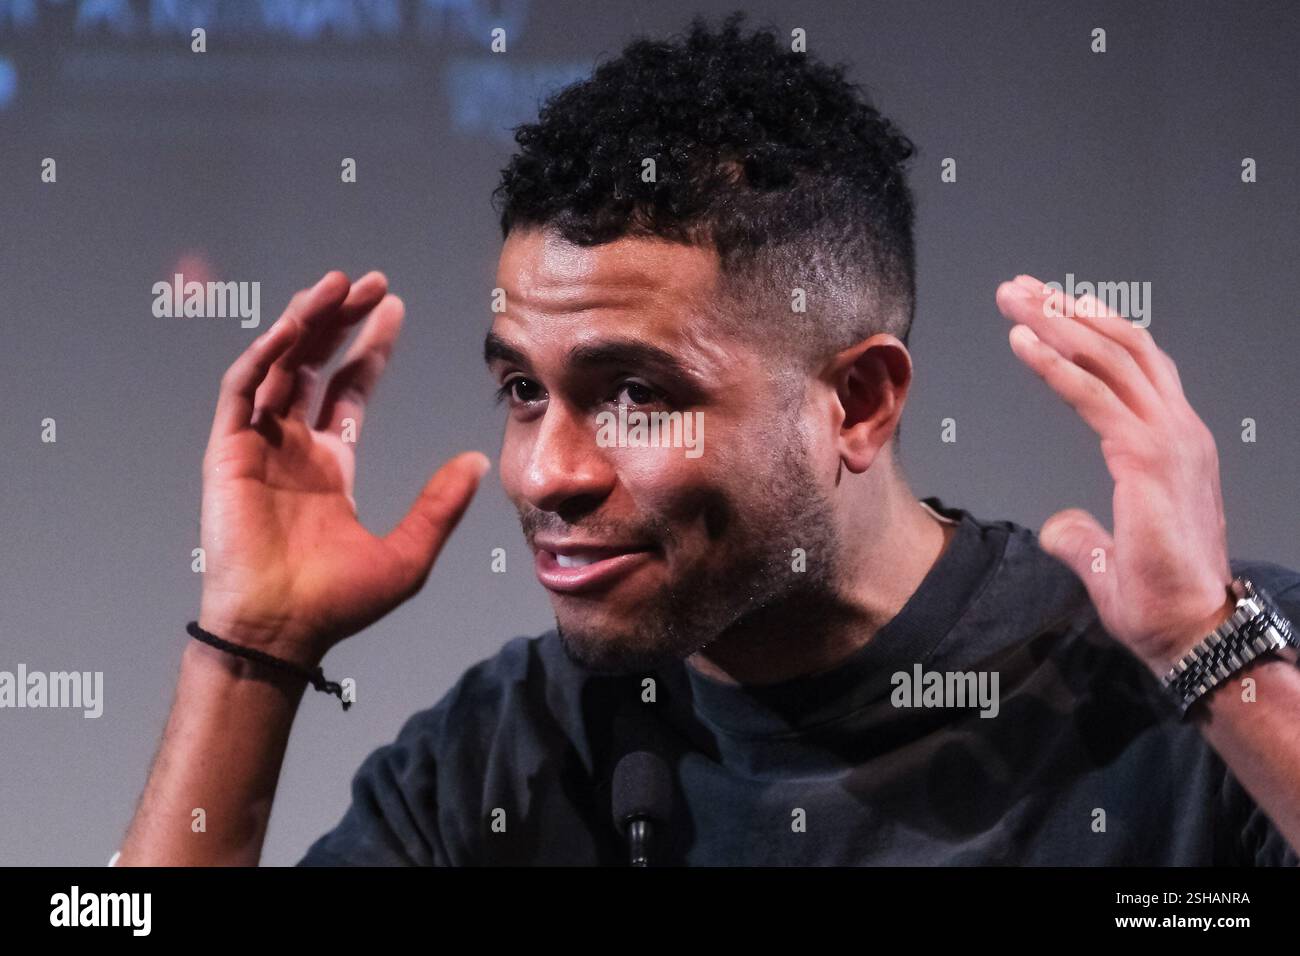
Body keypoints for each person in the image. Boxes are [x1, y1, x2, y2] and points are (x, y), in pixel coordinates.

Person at [118, 13, 1300, 866]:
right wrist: (249, 649)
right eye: (524, 391)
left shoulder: (1205, 667)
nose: (547, 473)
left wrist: (1212, 657)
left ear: (857, 402)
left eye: (637, 395)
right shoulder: (503, 759)